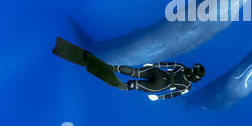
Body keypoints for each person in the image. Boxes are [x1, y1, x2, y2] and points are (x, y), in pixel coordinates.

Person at [52, 37, 205, 101]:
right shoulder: (187, 87)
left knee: (134, 72)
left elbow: (167, 65)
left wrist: (153, 65)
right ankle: (109, 72)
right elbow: (172, 94)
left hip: (158, 72)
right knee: (131, 85)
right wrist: (158, 98)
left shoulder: (182, 67)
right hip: (159, 86)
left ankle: (111, 67)